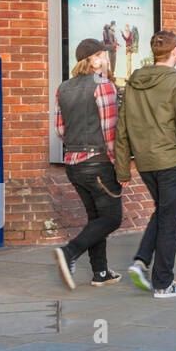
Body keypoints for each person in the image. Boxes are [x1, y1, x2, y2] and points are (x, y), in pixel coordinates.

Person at [115, 30, 176, 299]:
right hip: (173, 160)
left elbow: (122, 128)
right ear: (175, 52)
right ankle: (163, 283)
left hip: (146, 162)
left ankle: (141, 261)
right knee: (170, 222)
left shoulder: (134, 82)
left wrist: (123, 168)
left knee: (163, 212)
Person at [52, 39, 124, 289]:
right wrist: (117, 165)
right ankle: (70, 252)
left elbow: (60, 130)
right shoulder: (103, 86)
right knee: (113, 218)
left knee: (96, 219)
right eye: (102, 56)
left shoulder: (63, 88)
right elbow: (109, 131)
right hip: (98, 163)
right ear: (93, 59)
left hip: (74, 164)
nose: (105, 60)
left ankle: (100, 272)